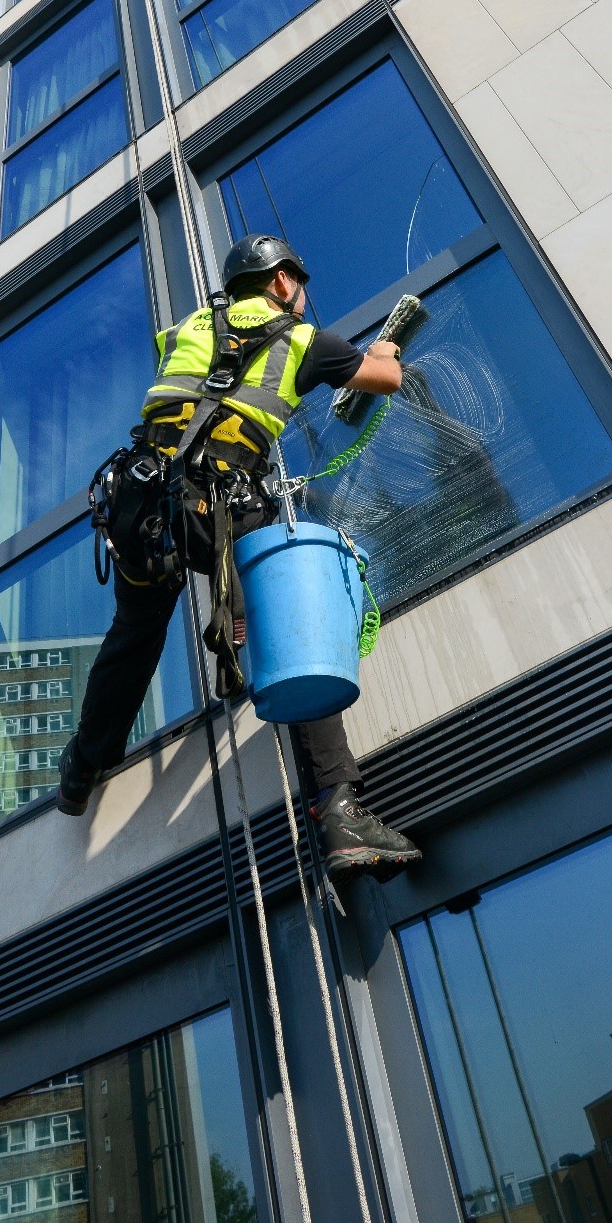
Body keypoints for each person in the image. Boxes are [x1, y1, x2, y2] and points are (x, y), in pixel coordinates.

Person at [55, 232, 422, 885]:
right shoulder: (304, 340)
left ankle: (83, 765)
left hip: (138, 503)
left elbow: (189, 375)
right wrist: (387, 346)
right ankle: (340, 808)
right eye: (298, 285)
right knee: (291, 622)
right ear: (281, 282)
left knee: (135, 631)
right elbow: (385, 377)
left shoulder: (192, 326)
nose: (302, 297)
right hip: (218, 504)